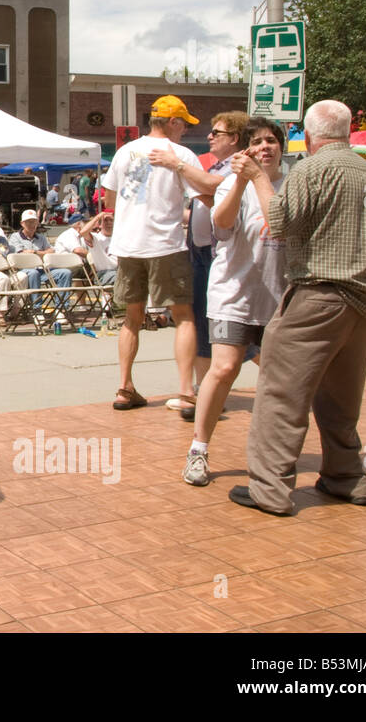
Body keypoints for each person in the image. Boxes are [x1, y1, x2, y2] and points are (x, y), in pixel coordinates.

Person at [230, 101, 366, 516]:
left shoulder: (312, 169)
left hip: (321, 294)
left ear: (309, 133)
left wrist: (257, 178)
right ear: (349, 130)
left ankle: (269, 488)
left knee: (281, 391)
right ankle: (347, 476)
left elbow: (279, 222)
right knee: (341, 397)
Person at [182, 118, 287, 486]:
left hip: (278, 296)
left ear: (281, 148)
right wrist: (242, 180)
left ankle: (271, 456)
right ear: (246, 149)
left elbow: (281, 226)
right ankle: (198, 449)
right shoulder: (231, 182)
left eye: (271, 141)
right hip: (233, 293)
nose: (264, 148)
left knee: (279, 378)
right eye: (257, 142)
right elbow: (222, 223)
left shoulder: (292, 185)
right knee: (225, 368)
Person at [100, 95, 203, 411]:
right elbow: (203, 191)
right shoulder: (181, 154)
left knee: (131, 319)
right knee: (183, 316)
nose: (184, 130)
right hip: (165, 244)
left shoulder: (125, 151)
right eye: (183, 124)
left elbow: (109, 198)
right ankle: (186, 392)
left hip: (129, 244)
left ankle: (124, 387)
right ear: (172, 122)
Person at [150, 110, 249, 405]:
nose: (209, 136)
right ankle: (201, 390)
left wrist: (176, 164)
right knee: (204, 325)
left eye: (216, 133)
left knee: (218, 327)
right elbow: (206, 196)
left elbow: (213, 189)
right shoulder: (219, 165)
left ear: (234, 138)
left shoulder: (237, 167)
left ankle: (205, 392)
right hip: (202, 251)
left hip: (216, 253)